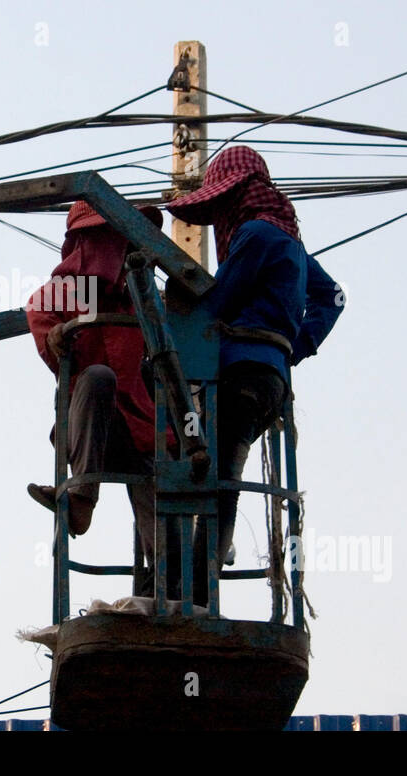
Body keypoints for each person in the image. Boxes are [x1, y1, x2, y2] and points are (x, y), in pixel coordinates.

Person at [167, 146, 345, 607]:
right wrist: (295, 346)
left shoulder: (254, 235)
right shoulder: (291, 244)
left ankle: (198, 584)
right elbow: (335, 297)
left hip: (238, 369)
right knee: (227, 464)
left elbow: (219, 302)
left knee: (218, 471)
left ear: (238, 198)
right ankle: (205, 567)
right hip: (270, 377)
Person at [25, 200, 163, 588]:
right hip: (88, 429)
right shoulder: (53, 299)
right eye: (103, 237)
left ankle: (169, 589)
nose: (112, 247)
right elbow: (51, 346)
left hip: (138, 428)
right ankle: (82, 498)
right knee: (98, 377)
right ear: (84, 242)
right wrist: (57, 336)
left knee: (159, 473)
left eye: (117, 238)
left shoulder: (142, 299)